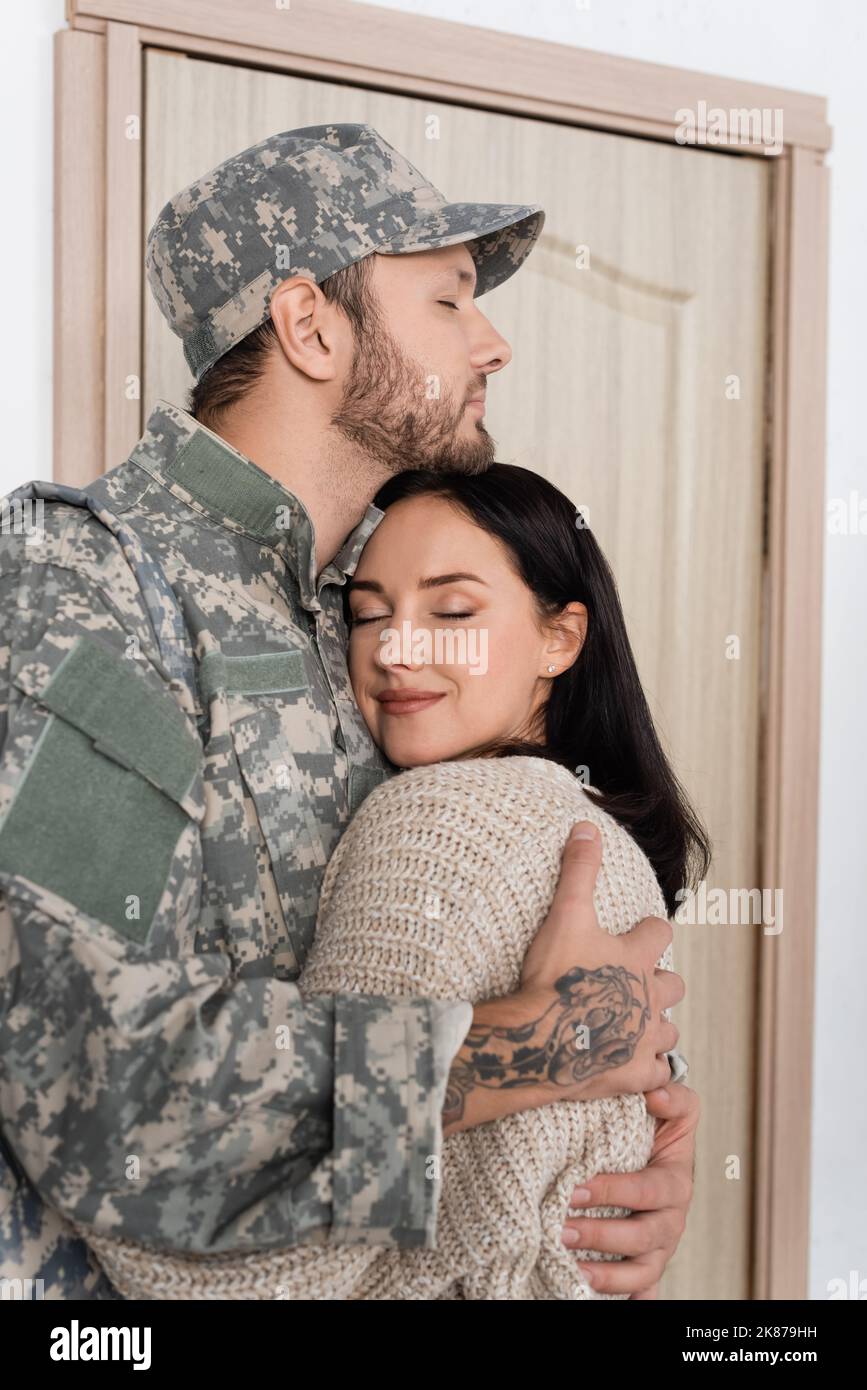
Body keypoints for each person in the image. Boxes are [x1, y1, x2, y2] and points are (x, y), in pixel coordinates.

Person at [0, 123, 697, 1300]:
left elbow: (542, 923)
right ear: (310, 324)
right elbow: (97, 1085)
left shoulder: (400, 585)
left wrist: (619, 1168)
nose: (494, 342)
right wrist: (541, 1050)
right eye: (447, 300)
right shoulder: (83, 589)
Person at [76, 462, 709, 1300]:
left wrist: (76, 1119)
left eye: (452, 612)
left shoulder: (438, 824)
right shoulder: (592, 830)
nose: (396, 649)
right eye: (368, 614)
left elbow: (254, 1270)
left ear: (560, 637)